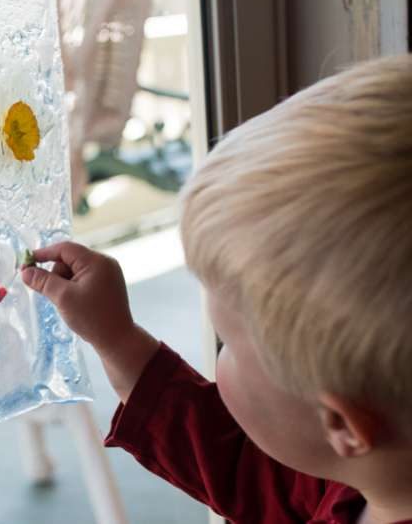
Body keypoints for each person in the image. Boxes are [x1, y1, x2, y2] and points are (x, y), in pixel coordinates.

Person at [21, 55, 412, 523]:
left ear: (341, 425)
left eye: (230, 346)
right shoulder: (365, 478)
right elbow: (241, 467)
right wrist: (117, 339)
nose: (220, 353)